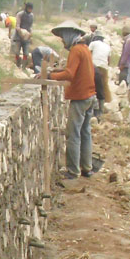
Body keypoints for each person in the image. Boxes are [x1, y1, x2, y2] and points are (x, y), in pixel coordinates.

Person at [46, 22, 97, 180]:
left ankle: (73, 170)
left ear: (68, 35)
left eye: (63, 38)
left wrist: (50, 76)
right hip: (90, 95)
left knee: (73, 134)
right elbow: (73, 70)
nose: (62, 41)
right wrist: (57, 71)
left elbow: (70, 74)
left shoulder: (76, 50)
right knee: (85, 133)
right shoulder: (85, 49)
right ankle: (87, 168)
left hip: (80, 97)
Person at [88, 31, 112, 117]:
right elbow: (109, 60)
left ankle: (93, 110)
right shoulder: (107, 46)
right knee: (103, 86)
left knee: (92, 86)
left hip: (94, 66)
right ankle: (103, 109)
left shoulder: (93, 43)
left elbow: (88, 55)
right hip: (104, 67)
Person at [10, 2, 35, 67]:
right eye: (29, 9)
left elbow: (30, 27)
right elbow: (17, 25)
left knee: (26, 53)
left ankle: (23, 67)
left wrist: (30, 35)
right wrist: (21, 33)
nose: (30, 10)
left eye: (31, 9)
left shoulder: (31, 16)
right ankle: (18, 62)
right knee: (17, 52)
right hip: (18, 36)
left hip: (26, 37)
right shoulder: (20, 14)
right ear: (26, 8)